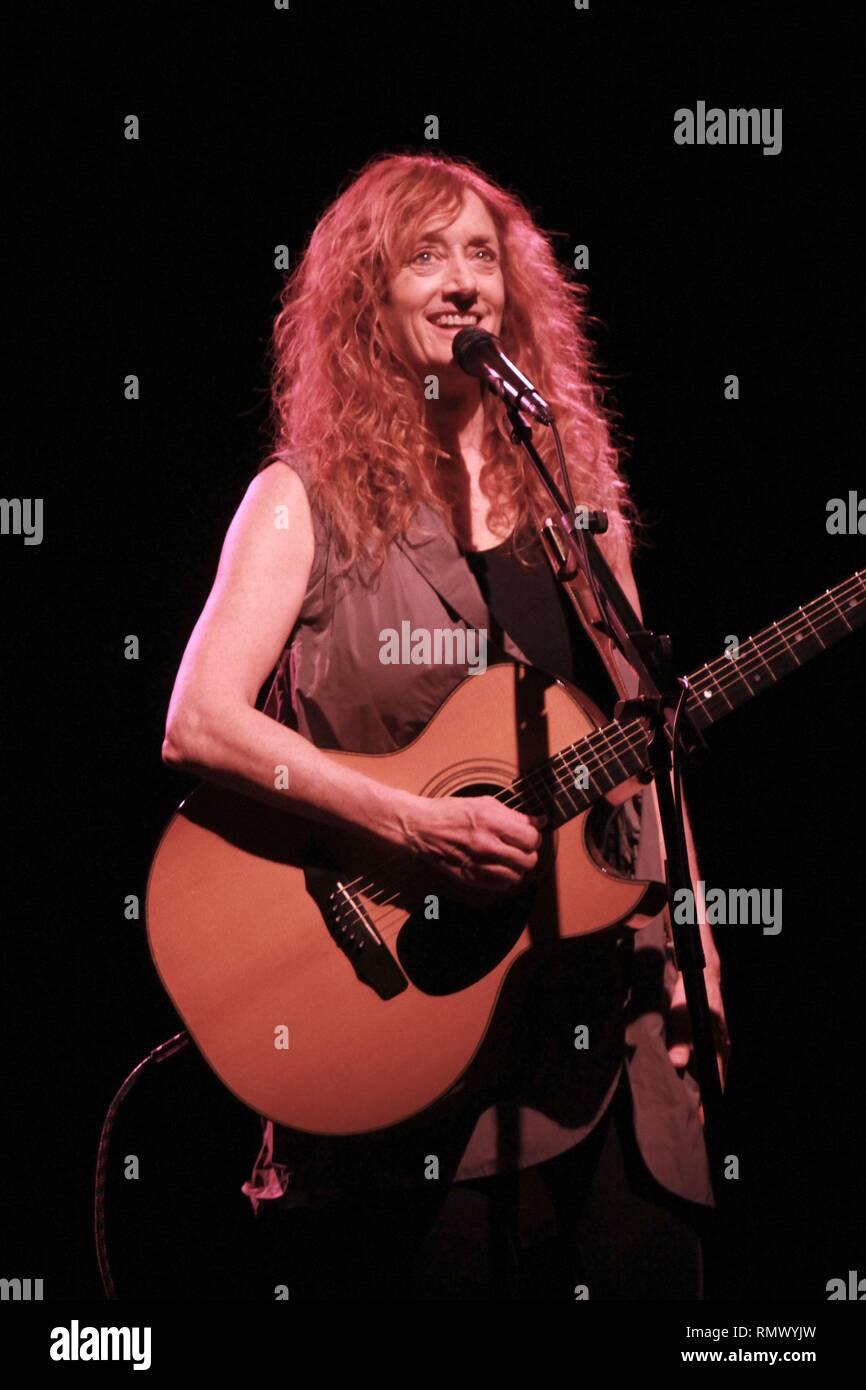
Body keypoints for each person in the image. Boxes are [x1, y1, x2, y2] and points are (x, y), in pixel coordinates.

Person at [162, 151, 730, 1300]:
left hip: (598, 1030)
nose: (466, 281)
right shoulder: (300, 499)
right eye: (427, 255)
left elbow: (647, 743)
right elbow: (199, 726)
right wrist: (410, 827)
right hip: (399, 1036)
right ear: (367, 292)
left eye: (483, 254)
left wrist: (702, 954)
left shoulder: (578, 505)